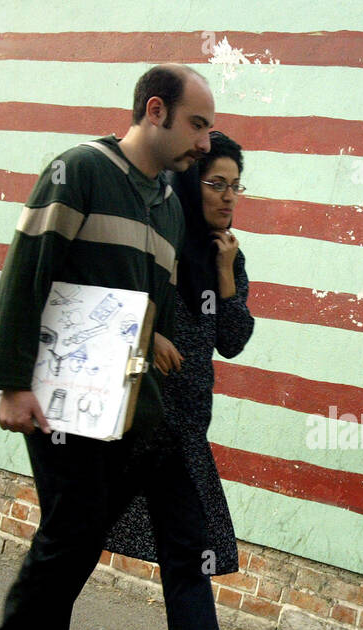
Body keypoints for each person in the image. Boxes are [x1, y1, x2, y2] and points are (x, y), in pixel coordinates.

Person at [0, 65, 263, 630]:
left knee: (74, 543)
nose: (204, 140)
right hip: (53, 395)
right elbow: (26, 268)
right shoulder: (80, 170)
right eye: (196, 124)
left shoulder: (163, 205)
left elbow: (146, 299)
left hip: (120, 402)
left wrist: (157, 332)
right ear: (154, 111)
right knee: (71, 534)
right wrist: (11, 384)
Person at [103, 131, 253, 589]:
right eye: (216, 184)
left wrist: (225, 273)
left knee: (190, 556)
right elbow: (111, 304)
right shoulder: (155, 239)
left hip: (184, 427)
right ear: (190, 183)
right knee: (76, 539)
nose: (229, 197)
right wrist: (151, 336)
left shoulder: (226, 255)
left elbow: (233, 339)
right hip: (136, 418)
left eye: (236, 186)